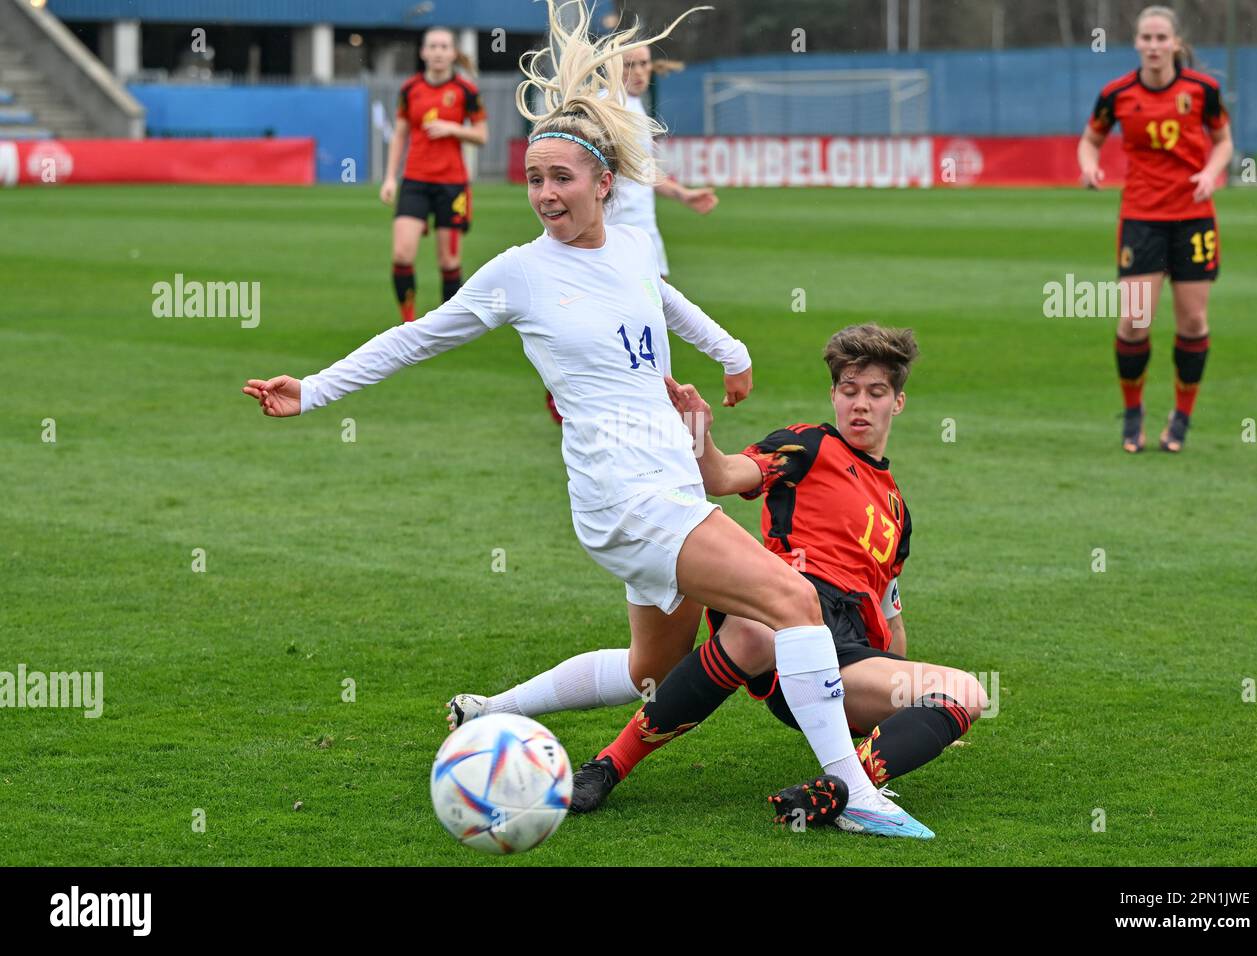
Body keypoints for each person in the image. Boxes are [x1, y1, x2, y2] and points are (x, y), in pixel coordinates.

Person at [243, 0, 924, 838]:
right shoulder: (518, 274)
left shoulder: (634, 249)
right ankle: (853, 791)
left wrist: (733, 350)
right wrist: (309, 390)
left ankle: (489, 708)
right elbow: (414, 341)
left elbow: (665, 301)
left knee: (653, 667)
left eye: (561, 178)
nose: (544, 194)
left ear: (605, 183)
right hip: (623, 495)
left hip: (667, 480)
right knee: (792, 602)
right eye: (534, 179)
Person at [492, 326, 983, 831]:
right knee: (757, 628)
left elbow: (888, 614)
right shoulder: (807, 445)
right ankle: (608, 765)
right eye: (850, 391)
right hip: (784, 624)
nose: (861, 405)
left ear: (897, 403)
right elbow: (722, 477)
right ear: (833, 394)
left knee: (966, 691)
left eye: (876, 393)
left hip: (848, 655)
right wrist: (699, 431)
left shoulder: (898, 508)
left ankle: (841, 790)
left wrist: (905, 714)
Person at [1077, 4, 1232, 453]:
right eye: (1146, 38)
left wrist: (1210, 173)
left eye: (1162, 38)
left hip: (1193, 218)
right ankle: (1133, 411)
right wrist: (1088, 167)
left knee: (1193, 321)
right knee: (1134, 322)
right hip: (1142, 219)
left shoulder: (1204, 89)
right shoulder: (1117, 93)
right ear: (1136, 43)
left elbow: (1223, 141)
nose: (1154, 46)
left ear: (1176, 43)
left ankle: (1182, 416)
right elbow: (1091, 138)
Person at [544, 41, 719, 425]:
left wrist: (683, 195)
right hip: (612, 233)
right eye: (629, 65)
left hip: (644, 232)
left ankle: (635, 395)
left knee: (649, 315)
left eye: (644, 65)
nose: (638, 72)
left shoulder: (636, 108)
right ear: (611, 69)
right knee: (630, 315)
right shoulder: (605, 110)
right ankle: (599, 394)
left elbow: (645, 172)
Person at [380, 27, 489, 324]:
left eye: (444, 46)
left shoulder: (467, 91)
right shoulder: (410, 89)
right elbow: (400, 134)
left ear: (453, 53)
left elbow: (482, 135)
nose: (439, 52)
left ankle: (447, 326)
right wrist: (390, 177)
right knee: (402, 254)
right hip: (414, 181)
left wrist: (453, 128)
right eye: (433, 46)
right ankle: (408, 323)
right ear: (423, 52)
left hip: (452, 185)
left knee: (449, 261)